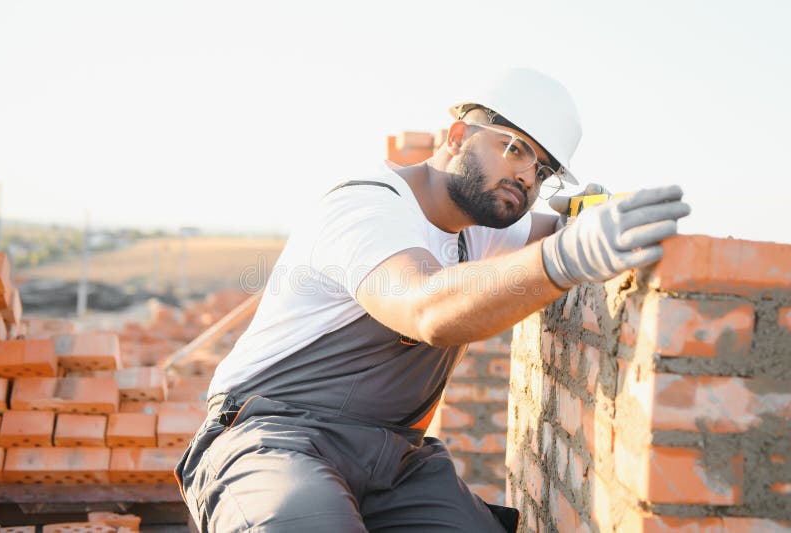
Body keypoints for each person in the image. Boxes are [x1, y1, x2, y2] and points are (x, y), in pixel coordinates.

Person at [175, 69, 690, 532]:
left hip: (394, 459)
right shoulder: (366, 207)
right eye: (515, 148)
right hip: (273, 437)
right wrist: (567, 256)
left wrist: (585, 216)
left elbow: (559, 232)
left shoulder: (482, 226)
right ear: (459, 135)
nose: (526, 177)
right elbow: (427, 308)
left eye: (543, 171)